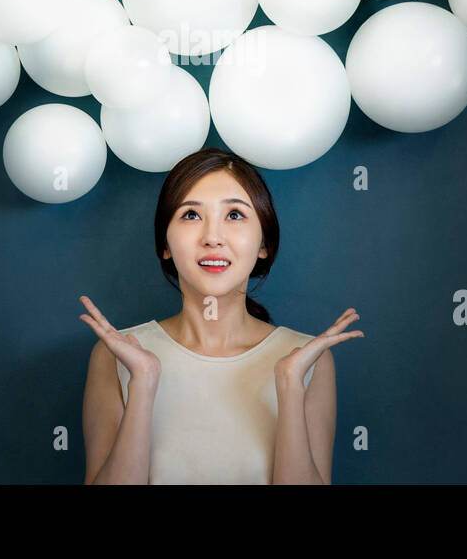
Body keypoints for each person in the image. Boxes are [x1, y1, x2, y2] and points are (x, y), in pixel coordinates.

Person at [78, 146, 363, 484]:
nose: (213, 238)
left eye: (235, 215)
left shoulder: (309, 361)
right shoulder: (117, 355)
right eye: (191, 215)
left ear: (263, 244)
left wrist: (289, 385)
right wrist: (143, 379)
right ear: (165, 245)